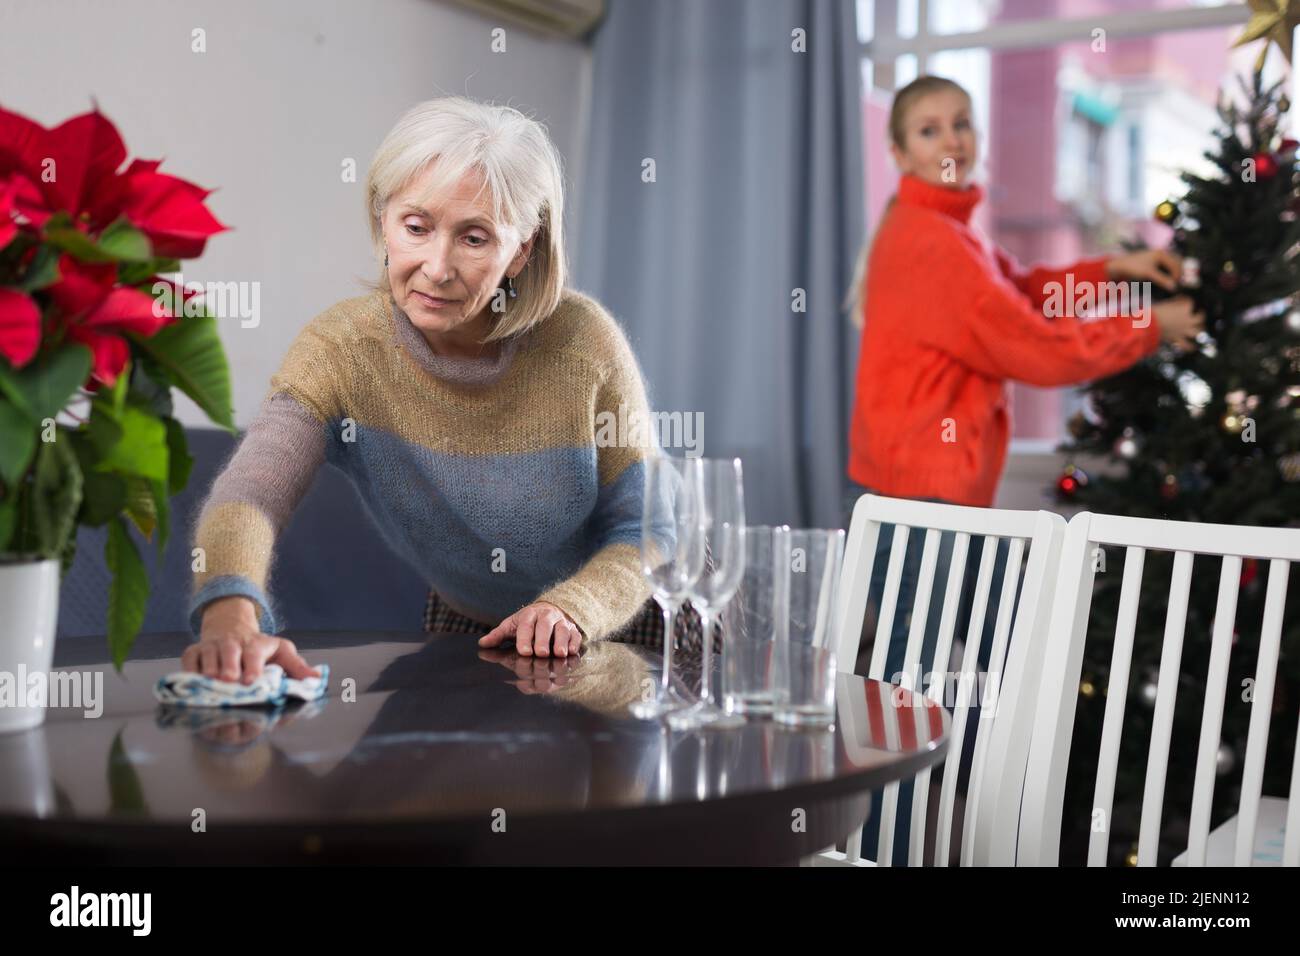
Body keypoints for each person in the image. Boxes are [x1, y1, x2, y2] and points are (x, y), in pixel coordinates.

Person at [183, 96, 702, 684]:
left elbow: (648, 531)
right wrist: (231, 612)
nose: (436, 266)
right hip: (472, 621)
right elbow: (251, 490)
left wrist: (571, 610)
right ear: (384, 221)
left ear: (521, 250)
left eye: (475, 238)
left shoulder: (584, 345)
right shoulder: (343, 350)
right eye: (416, 226)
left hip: (633, 619)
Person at [841, 75, 1204, 862]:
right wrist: (1152, 325)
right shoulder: (932, 244)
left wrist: (1117, 271)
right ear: (900, 150)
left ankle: (1018, 822)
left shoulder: (950, 230)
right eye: (931, 131)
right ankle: (891, 847)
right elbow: (1033, 344)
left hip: (938, 504)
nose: (954, 141)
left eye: (962, 124)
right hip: (926, 508)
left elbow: (1027, 291)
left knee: (937, 692)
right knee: (912, 709)